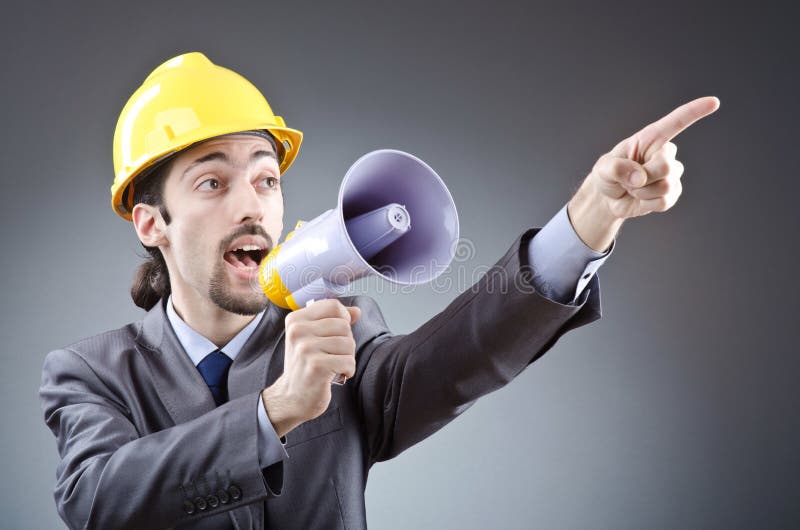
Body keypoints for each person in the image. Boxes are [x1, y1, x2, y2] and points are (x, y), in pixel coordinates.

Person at [39, 52, 718, 530]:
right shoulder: (91, 372)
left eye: (266, 178)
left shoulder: (342, 329)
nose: (254, 206)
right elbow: (98, 501)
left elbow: (460, 357)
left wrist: (589, 220)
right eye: (213, 182)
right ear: (151, 221)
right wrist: (273, 411)